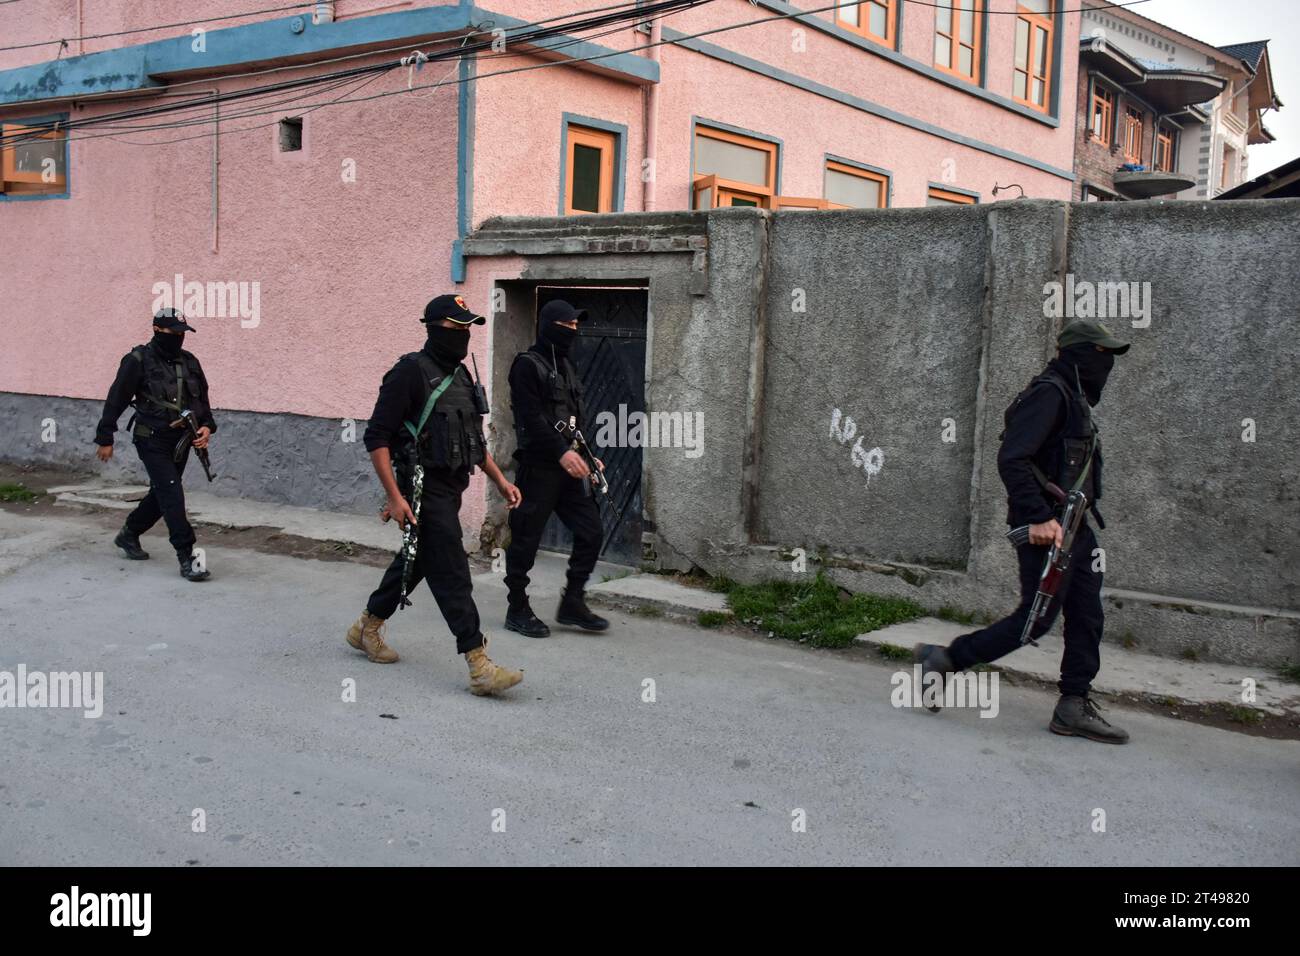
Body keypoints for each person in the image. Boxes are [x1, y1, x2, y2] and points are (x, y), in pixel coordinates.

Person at [914, 319, 1131, 744]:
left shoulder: (1073, 396)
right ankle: (948, 659)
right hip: (1045, 528)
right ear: (1080, 354)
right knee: (1035, 620)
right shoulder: (1050, 394)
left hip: (1074, 526)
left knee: (1087, 613)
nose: (1106, 364)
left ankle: (1073, 704)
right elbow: (1012, 458)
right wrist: (1035, 517)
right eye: (1101, 354)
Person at [345, 294, 525, 697]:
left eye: (467, 328)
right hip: (422, 490)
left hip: (452, 487)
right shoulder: (408, 373)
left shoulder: (461, 377)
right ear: (433, 328)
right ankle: (479, 664)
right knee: (453, 572)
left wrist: (500, 480)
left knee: (419, 561)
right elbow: (376, 438)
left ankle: (365, 627)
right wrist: (394, 497)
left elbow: (475, 443)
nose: (463, 335)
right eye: (455, 327)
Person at [502, 299, 609, 638]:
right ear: (549, 326)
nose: (573, 332)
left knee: (591, 531)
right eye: (567, 326)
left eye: (576, 328)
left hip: (569, 468)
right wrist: (562, 453)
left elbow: (573, 418)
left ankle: (572, 602)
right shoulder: (526, 366)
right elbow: (531, 418)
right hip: (539, 468)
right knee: (526, 540)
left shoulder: (566, 365)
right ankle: (517, 607)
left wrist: (588, 458)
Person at [94, 308, 214, 582]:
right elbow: (117, 398)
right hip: (152, 439)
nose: (179, 339)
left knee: (162, 495)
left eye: (182, 333)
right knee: (171, 492)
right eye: (174, 333)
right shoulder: (138, 360)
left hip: (182, 441)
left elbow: (202, 403)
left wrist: (207, 427)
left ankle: (129, 534)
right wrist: (105, 437)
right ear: (157, 331)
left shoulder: (190, 362)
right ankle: (187, 557)